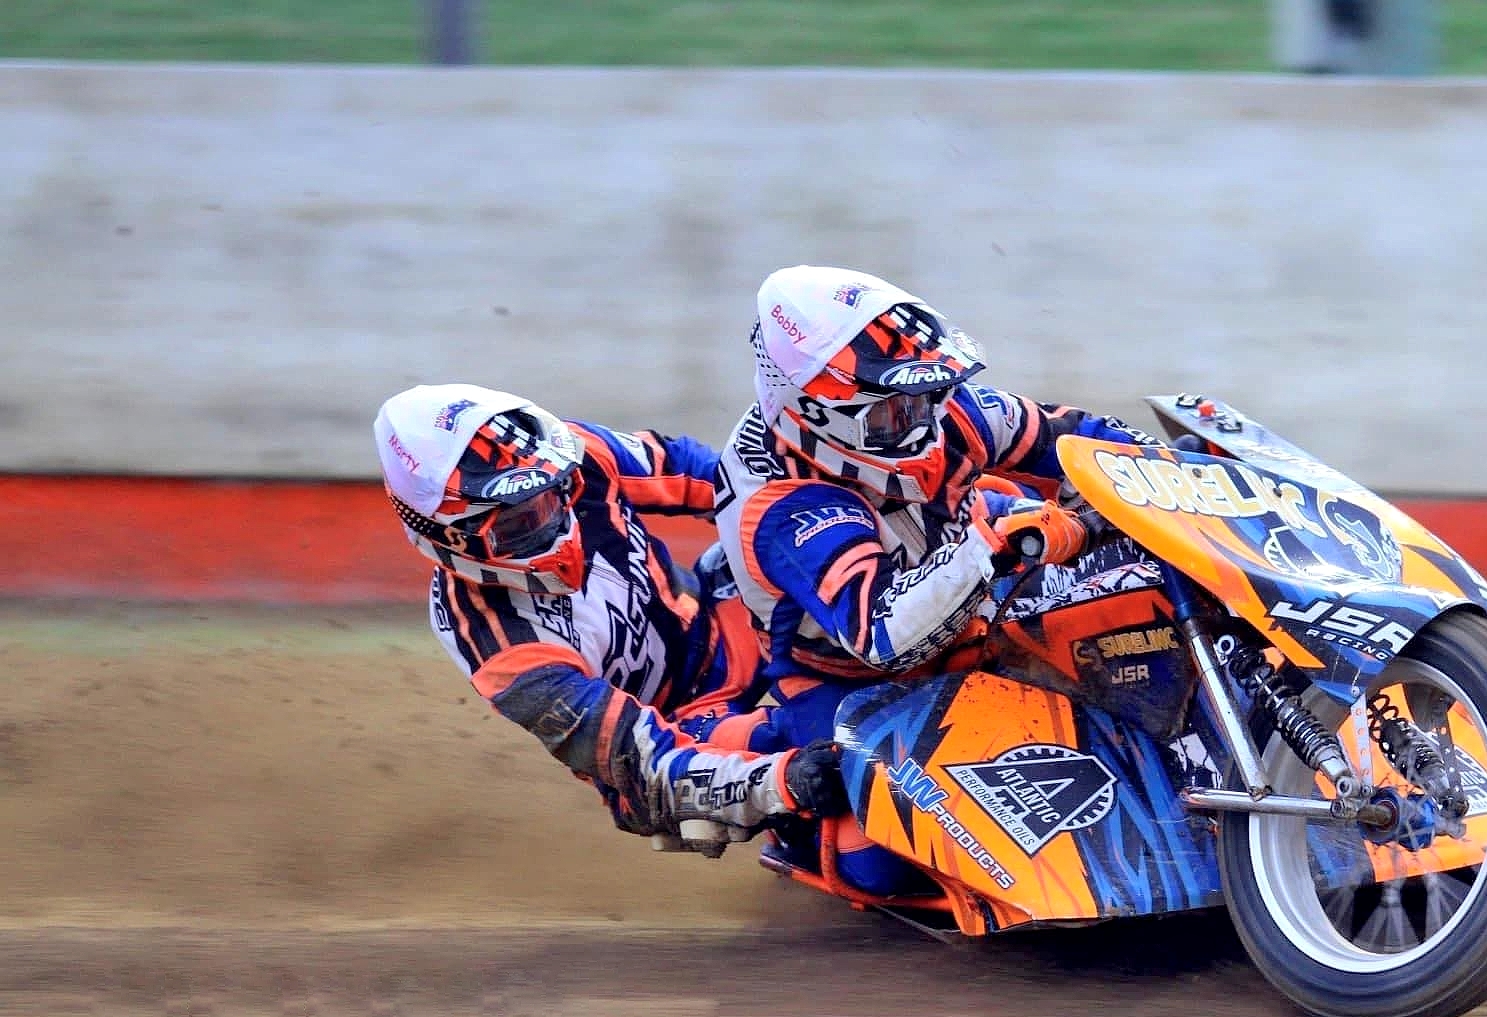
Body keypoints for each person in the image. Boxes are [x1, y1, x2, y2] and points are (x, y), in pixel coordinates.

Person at [374, 382, 845, 855]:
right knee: (826, 754)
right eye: (520, 521)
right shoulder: (495, 642)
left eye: (553, 494)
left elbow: (710, 474)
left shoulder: (570, 455)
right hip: (678, 729)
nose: (555, 522)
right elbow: (636, 763)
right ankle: (807, 837)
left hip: (718, 616)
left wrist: (819, 513)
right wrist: (781, 782)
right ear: (450, 537)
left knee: (819, 552)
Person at [714, 265, 1156, 742]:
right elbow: (881, 634)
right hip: (853, 683)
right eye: (893, 412)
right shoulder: (786, 504)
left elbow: (1078, 439)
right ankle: (743, 747)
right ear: (818, 412)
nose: (921, 422)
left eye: (926, 397)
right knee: (854, 772)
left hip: (983, 587)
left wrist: (1179, 472)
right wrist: (998, 546)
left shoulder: (941, 412)